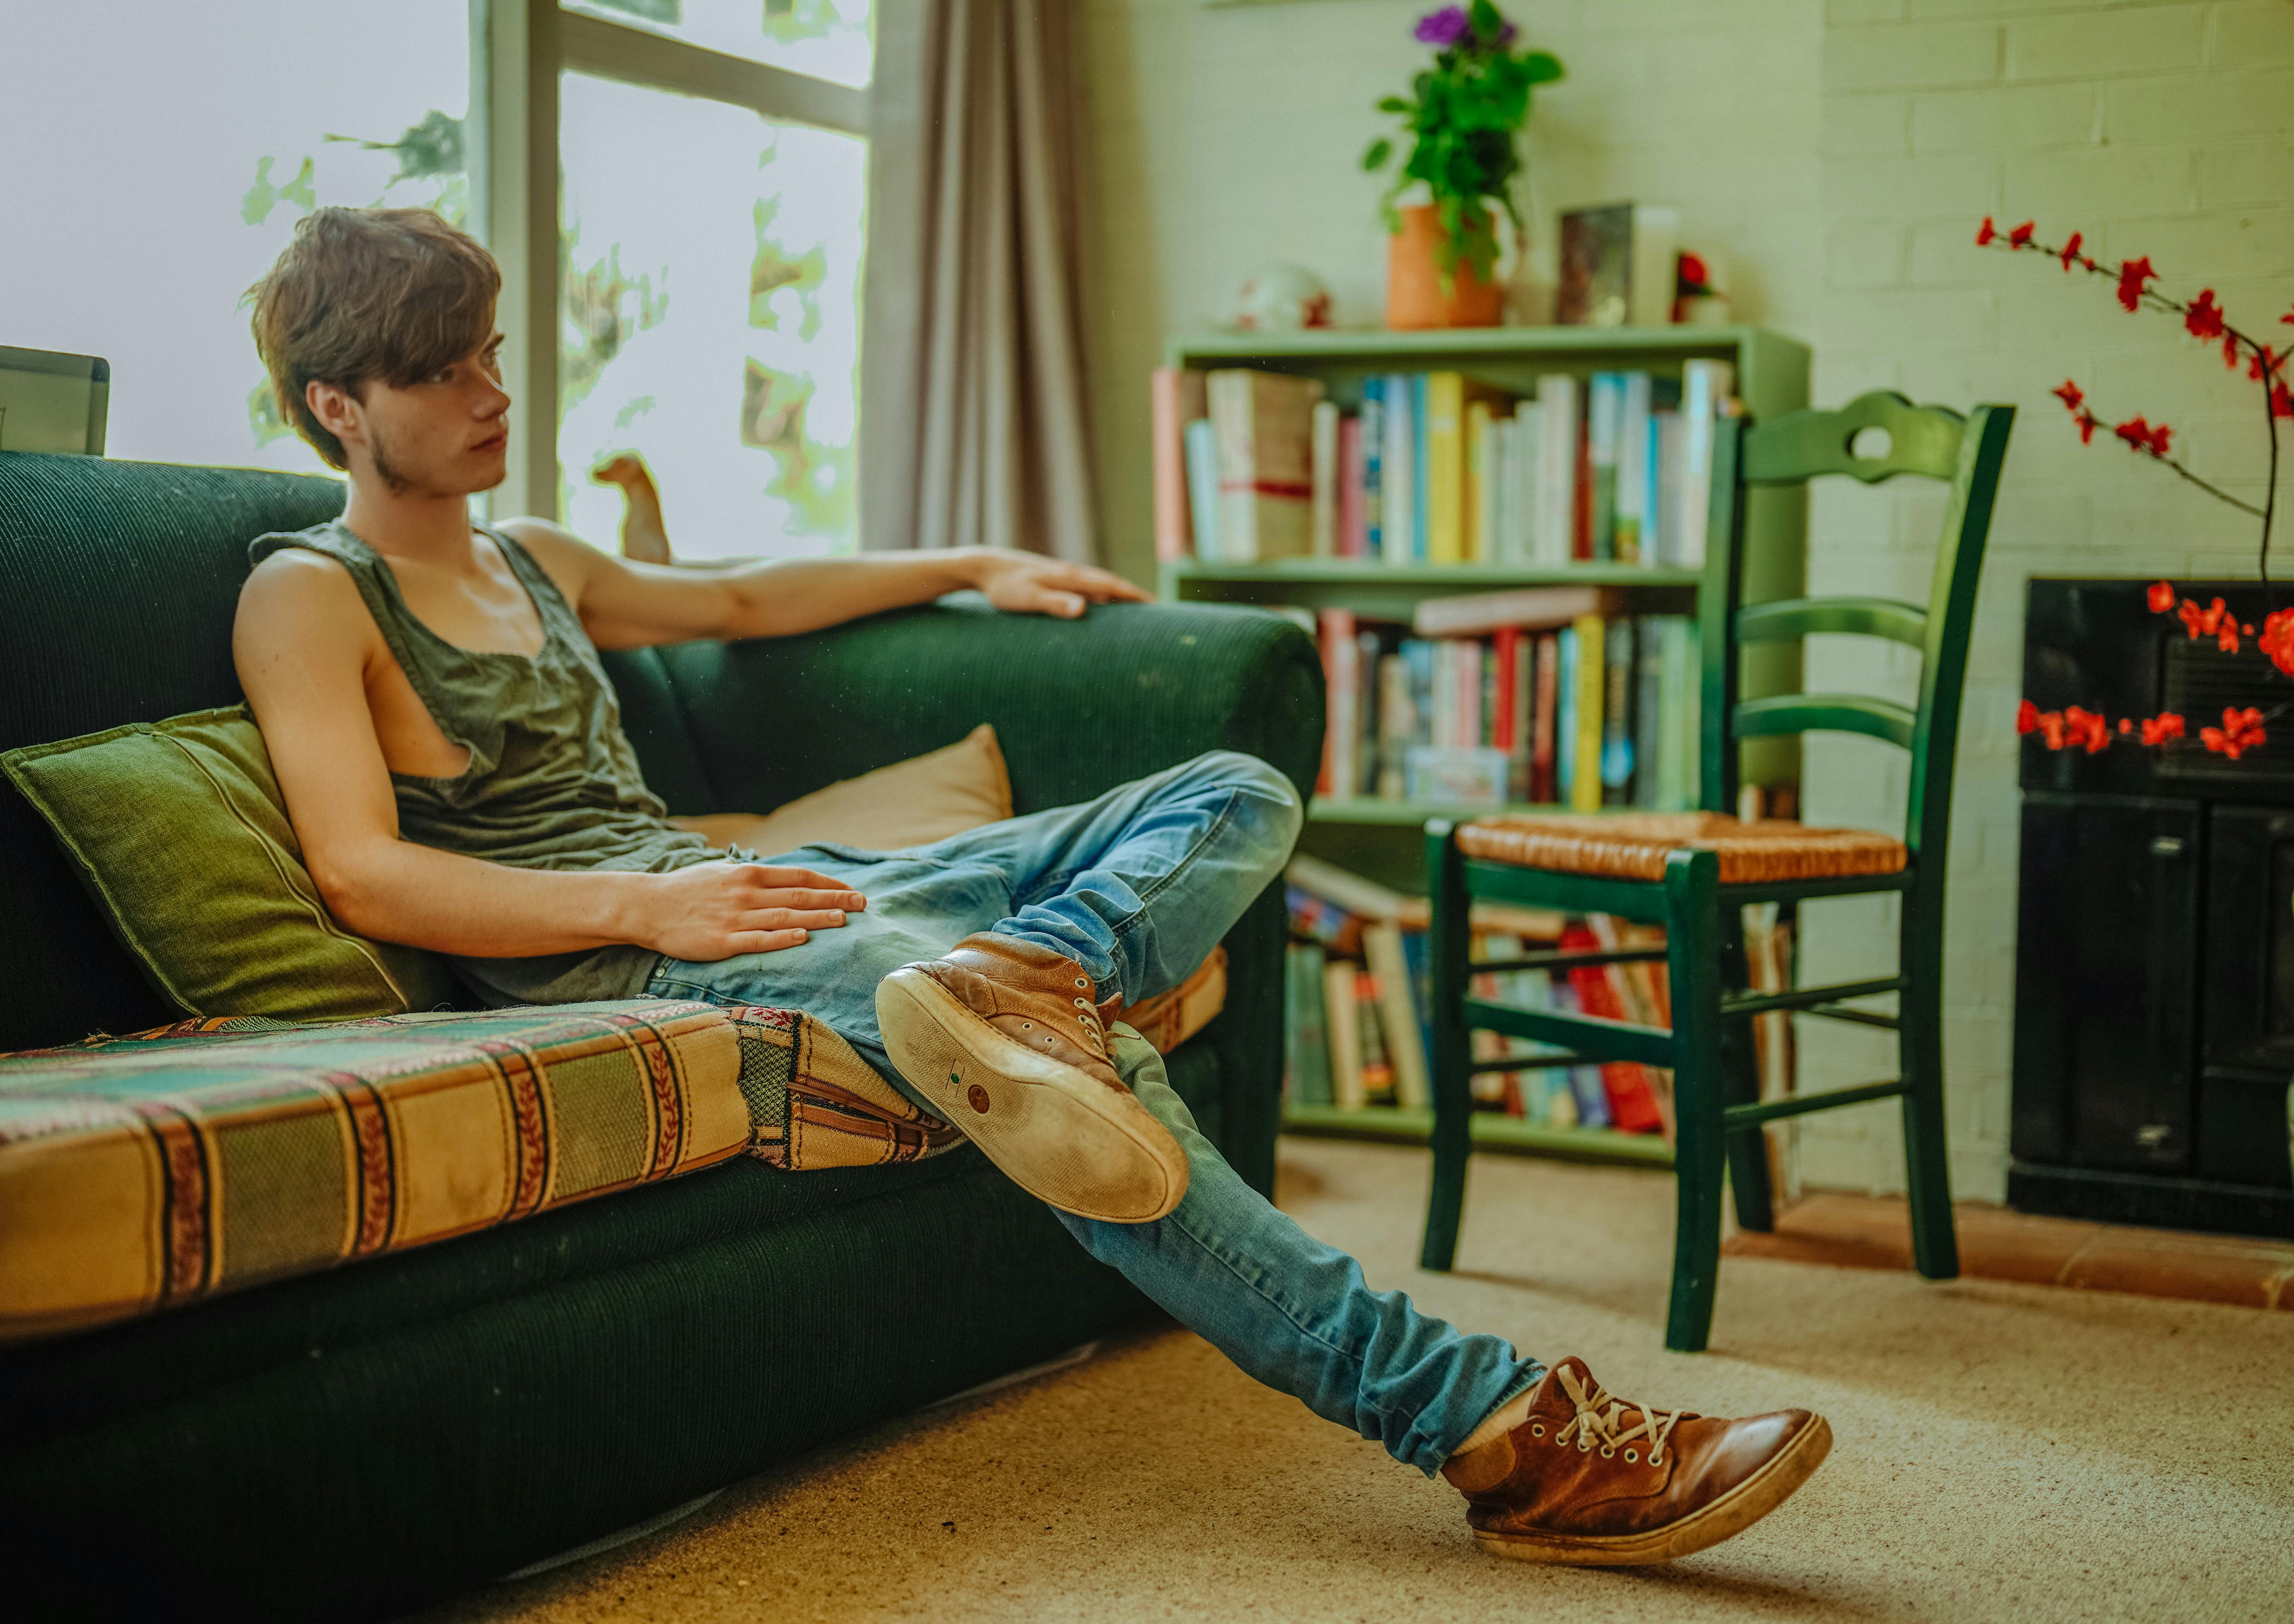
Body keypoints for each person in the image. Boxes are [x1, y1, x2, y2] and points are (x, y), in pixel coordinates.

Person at [230, 206, 1832, 1568]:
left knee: (1234, 790)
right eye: (444, 370)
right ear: (339, 406)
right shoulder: (310, 594)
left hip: (745, 882)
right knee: (1090, 1079)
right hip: (623, 941)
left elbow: (732, 592)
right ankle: (1493, 1427)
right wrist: (650, 912)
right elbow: (364, 874)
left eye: (494, 351)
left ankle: (1031, 966)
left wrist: (973, 564)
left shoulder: (534, 552)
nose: (491, 389)